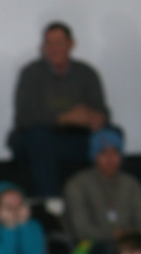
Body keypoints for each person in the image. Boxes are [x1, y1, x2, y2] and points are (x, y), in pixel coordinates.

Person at [9, 23, 109, 199]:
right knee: (41, 140)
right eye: (49, 43)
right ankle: (50, 202)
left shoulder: (87, 73)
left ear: (71, 44)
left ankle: (107, 202)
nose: (54, 48)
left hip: (78, 137)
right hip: (39, 138)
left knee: (112, 136)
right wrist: (64, 118)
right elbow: (24, 117)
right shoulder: (31, 73)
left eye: (59, 42)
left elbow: (102, 110)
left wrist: (97, 118)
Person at [63, 129, 141, 254]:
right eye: (103, 153)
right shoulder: (77, 184)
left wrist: (129, 237)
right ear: (94, 156)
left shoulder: (131, 184)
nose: (110, 158)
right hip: (88, 246)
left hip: (130, 242)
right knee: (109, 250)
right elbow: (81, 229)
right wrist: (113, 235)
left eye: (115, 153)